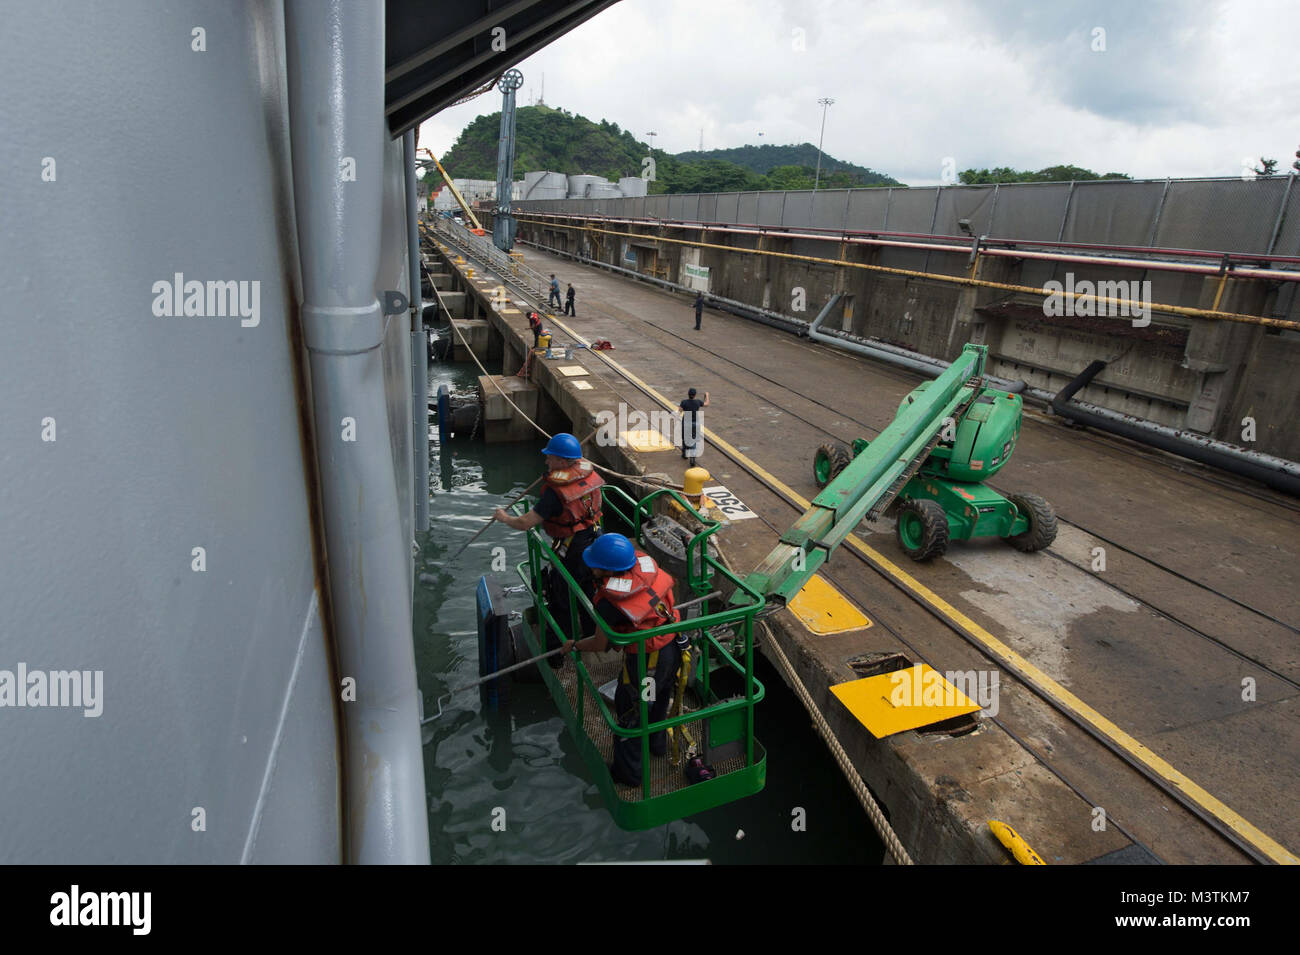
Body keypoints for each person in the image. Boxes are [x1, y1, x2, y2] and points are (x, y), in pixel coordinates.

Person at [563, 534, 683, 787]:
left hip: (646, 663)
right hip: (672, 648)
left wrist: (574, 645)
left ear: (607, 569)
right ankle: (657, 744)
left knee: (632, 711)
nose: (590, 567)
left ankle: (629, 775)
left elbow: (599, 645)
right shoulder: (645, 570)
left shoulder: (610, 603)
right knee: (659, 696)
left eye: (594, 564)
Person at [493, 433, 604, 666]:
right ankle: (592, 636)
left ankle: (556, 655)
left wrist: (504, 518)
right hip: (596, 539)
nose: (546, 462)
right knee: (589, 590)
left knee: (559, 597)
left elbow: (525, 523)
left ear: (563, 462)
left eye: (550, 458)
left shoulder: (556, 493)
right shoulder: (589, 476)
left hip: (574, 548)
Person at [679, 387, 709, 460]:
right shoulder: (698, 402)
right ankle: (692, 456)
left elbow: (680, 411)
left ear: (688, 394)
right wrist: (707, 395)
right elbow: (707, 404)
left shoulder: (684, 402)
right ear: (695, 395)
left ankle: (685, 454)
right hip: (695, 423)